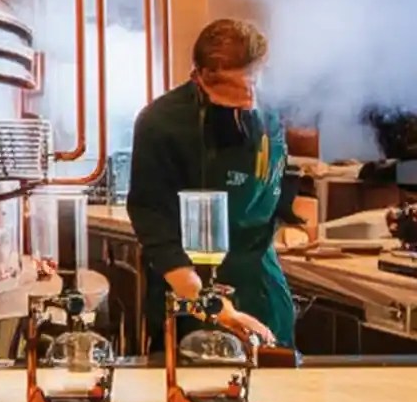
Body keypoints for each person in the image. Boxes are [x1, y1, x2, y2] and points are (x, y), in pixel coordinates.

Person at [127, 18, 304, 353]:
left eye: (253, 81)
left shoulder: (273, 108)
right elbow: (153, 222)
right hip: (190, 294)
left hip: (262, 284)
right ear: (201, 77)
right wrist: (215, 308)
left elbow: (275, 180)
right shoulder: (161, 123)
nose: (250, 96)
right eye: (234, 89)